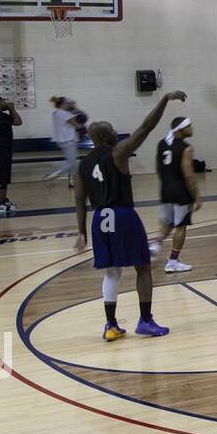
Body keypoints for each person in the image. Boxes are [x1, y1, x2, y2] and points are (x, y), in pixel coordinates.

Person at [73, 89, 187, 341]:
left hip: (99, 219)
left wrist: (81, 231)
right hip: (122, 214)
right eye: (112, 130)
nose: (116, 132)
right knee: (143, 268)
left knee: (112, 272)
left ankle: (111, 326)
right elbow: (146, 127)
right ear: (105, 136)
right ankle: (145, 321)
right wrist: (164, 100)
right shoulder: (118, 152)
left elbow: (79, 199)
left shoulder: (81, 165)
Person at [150, 116, 201, 274]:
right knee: (181, 226)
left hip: (165, 189)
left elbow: (158, 168)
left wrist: (166, 183)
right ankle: (172, 261)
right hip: (181, 191)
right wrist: (197, 195)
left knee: (168, 222)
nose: (192, 128)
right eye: (189, 126)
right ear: (180, 129)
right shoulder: (186, 148)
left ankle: (154, 245)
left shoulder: (161, 143)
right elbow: (189, 174)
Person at [0, 96, 22, 216]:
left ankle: (4, 200)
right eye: (3, 101)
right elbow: (18, 122)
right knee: (1, 177)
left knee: (4, 176)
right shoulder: (0, 116)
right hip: (0, 149)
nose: (6, 103)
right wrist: (12, 109)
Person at [45, 96, 78, 188]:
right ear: (63, 104)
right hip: (68, 140)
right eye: (67, 103)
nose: (68, 104)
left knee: (71, 161)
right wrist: (74, 109)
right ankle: (52, 175)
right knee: (71, 162)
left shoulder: (55, 113)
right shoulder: (66, 114)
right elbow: (77, 125)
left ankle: (72, 181)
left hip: (61, 140)